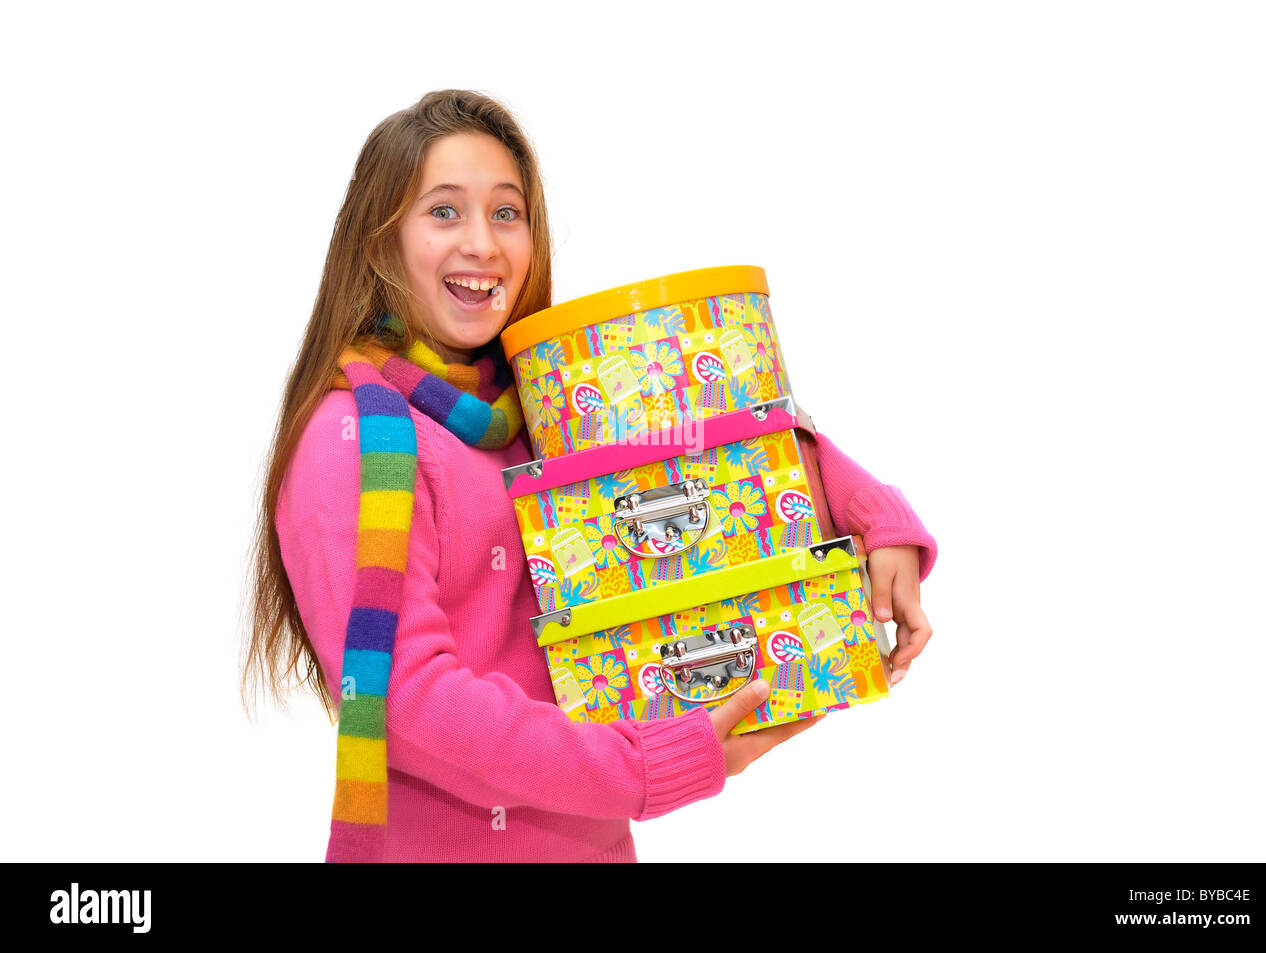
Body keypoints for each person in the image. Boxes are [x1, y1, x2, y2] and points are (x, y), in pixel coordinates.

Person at [241, 89, 938, 862]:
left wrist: (877, 518)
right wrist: (646, 765)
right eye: (443, 212)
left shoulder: (531, 405)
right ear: (380, 241)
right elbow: (409, 701)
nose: (481, 242)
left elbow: (722, 440)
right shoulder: (353, 439)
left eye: (506, 213)